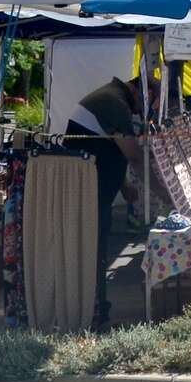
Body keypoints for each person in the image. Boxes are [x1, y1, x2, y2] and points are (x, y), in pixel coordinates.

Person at [65, 76, 145, 328]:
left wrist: (123, 185)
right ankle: (93, 310)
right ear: (138, 90)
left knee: (97, 249)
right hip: (90, 193)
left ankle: (95, 307)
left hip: (95, 190)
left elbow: (109, 147)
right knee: (95, 251)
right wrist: (161, 187)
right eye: (148, 99)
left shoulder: (113, 97)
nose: (146, 108)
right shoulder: (115, 103)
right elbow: (132, 153)